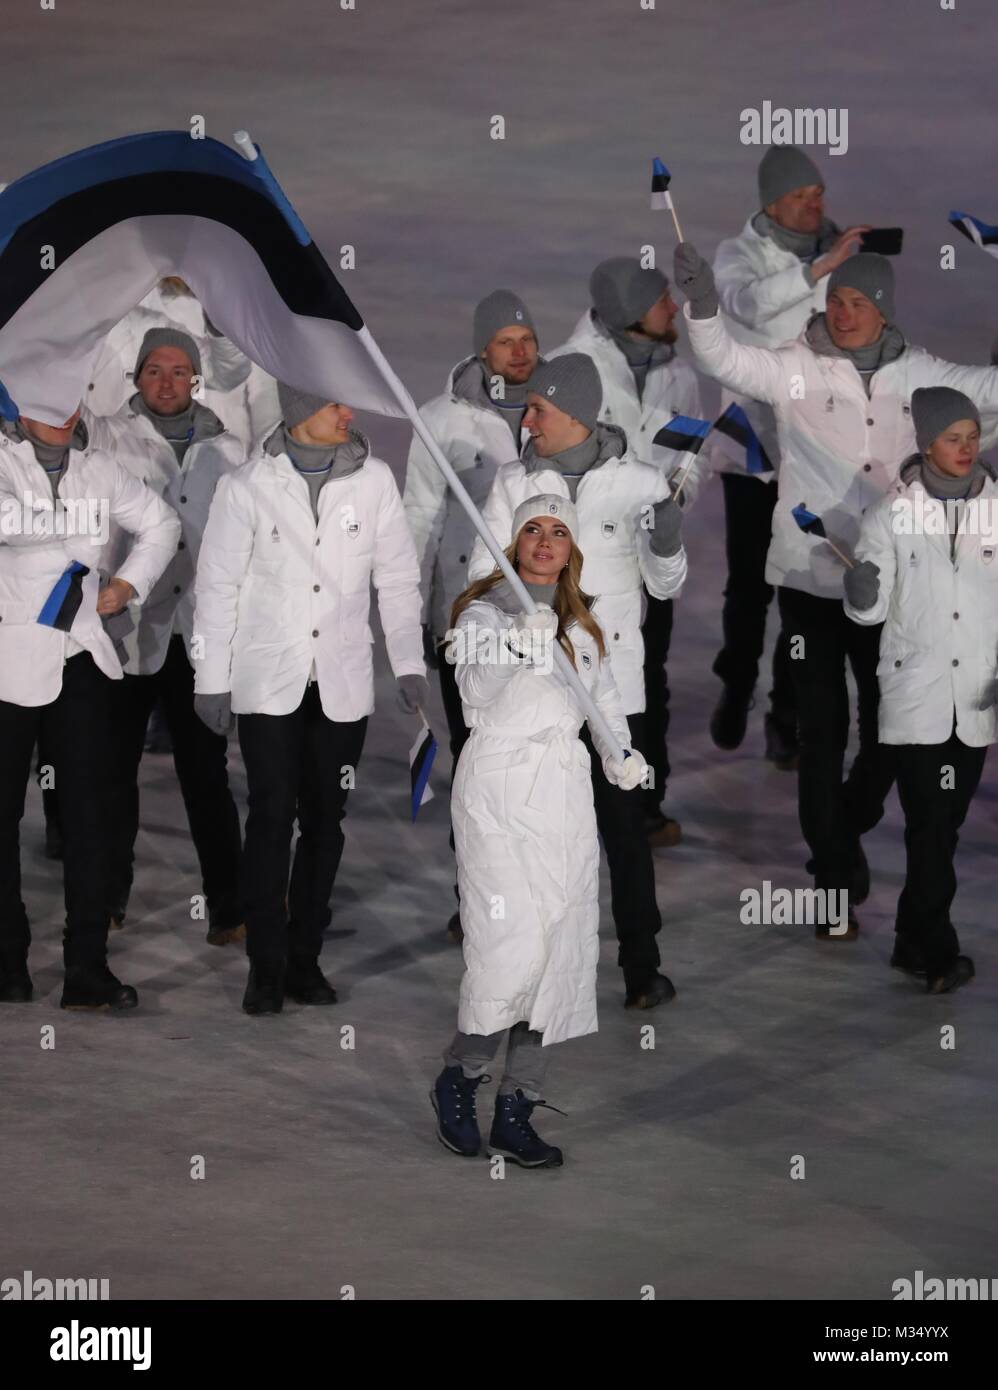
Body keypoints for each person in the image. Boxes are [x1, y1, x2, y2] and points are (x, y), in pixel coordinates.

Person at [674, 242, 998, 931]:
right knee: (821, 734)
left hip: (893, 588)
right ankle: (832, 879)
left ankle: (846, 822)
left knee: (888, 734)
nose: (844, 314)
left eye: (858, 303)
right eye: (837, 301)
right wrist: (702, 307)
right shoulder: (796, 367)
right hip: (810, 579)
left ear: (884, 311)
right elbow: (724, 360)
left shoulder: (920, 373)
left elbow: (990, 389)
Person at [193, 384, 427, 1015]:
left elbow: (397, 578)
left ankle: (305, 960)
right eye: (333, 405)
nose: (349, 414)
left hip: (341, 683)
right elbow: (216, 587)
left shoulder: (374, 481)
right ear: (299, 414)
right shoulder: (245, 487)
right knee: (271, 816)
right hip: (268, 681)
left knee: (326, 820)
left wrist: (408, 661)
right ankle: (265, 967)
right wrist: (210, 677)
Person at [432, 495, 645, 1167]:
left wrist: (620, 753)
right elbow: (474, 693)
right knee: (509, 949)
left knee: (556, 955)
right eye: (532, 529)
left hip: (562, 798)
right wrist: (515, 646)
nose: (545, 541)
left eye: (558, 531)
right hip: (497, 793)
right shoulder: (483, 613)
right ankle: (460, 1077)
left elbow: (602, 702)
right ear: (514, 542)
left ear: (571, 547)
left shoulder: (584, 622)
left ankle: (517, 1107)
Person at [469, 355, 686, 1006]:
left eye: (538, 409)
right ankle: (532, 973)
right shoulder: (513, 483)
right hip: (535, 695)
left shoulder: (640, 483)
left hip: (614, 693)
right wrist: (524, 627)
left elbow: (666, 585)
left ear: (576, 414)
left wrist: (667, 541)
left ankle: (642, 967)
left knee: (625, 831)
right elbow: (481, 577)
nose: (526, 420)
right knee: (538, 835)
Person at [0, 406, 179, 1008]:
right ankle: (7, 961)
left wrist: (128, 583)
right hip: (8, 662)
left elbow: (161, 523)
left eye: (70, 399)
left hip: (80, 658)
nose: (64, 412)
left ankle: (86, 966)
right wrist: (79, 523)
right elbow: (4, 521)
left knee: (89, 817)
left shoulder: (99, 467)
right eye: (48, 401)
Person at [711, 146, 871, 766]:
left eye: (818, 193)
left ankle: (786, 714)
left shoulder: (841, 251)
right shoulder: (738, 254)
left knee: (801, 584)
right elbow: (745, 304)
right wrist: (820, 268)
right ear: (772, 203)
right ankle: (737, 683)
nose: (814, 204)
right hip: (754, 450)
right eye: (801, 196)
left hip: (816, 451)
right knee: (750, 584)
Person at [92, 329, 245, 944]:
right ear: (136, 376)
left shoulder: (228, 448)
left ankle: (229, 908)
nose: (167, 382)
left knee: (206, 772)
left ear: (196, 380)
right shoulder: (108, 438)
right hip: (125, 629)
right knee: (112, 773)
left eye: (180, 371)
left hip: (197, 633)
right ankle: (105, 899)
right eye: (154, 369)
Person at [844, 388, 997, 992]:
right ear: (927, 442)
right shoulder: (891, 514)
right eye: (952, 438)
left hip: (977, 697)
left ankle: (911, 937)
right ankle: (936, 949)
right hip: (919, 695)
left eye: (972, 437)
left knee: (944, 825)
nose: (966, 448)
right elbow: (871, 610)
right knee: (931, 825)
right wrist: (862, 593)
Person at [550, 258, 705, 843]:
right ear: (630, 313)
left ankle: (643, 800)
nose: (674, 306)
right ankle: (578, 801)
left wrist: (678, 499)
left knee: (648, 678)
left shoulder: (680, 374)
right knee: (577, 680)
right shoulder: (573, 368)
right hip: (587, 566)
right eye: (661, 298)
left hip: (653, 558)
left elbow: (695, 454)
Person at [403, 290, 540, 940]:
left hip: (542, 620)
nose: (520, 352)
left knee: (534, 758)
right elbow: (420, 518)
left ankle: (533, 891)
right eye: (506, 341)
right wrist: (413, 613)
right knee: (476, 761)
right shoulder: (441, 420)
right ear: (482, 350)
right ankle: (477, 897)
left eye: (528, 340)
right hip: (467, 619)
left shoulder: (555, 412)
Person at [86, 276, 279, 452]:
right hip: (139, 457)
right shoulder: (140, 306)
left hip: (223, 455)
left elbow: (261, 397)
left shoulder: (244, 306)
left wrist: (260, 465)